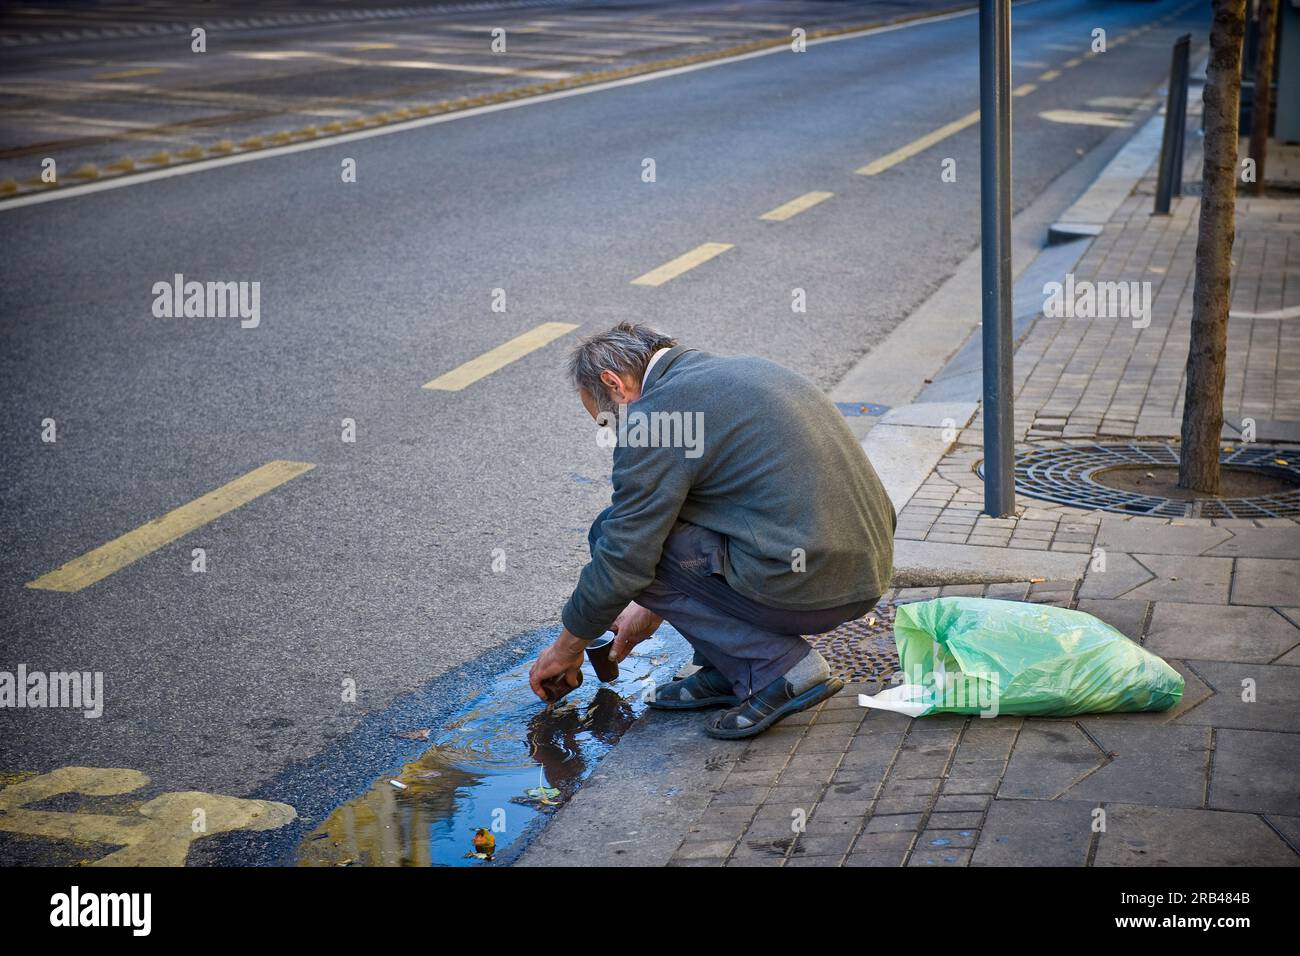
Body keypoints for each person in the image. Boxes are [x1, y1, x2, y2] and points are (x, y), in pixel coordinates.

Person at [528, 323, 895, 738]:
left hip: (808, 586)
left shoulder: (657, 416)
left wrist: (567, 648)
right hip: (866, 572)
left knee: (607, 534)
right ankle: (727, 667)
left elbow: (624, 555)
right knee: (663, 526)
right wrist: (651, 606)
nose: (616, 432)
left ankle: (780, 668)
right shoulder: (743, 371)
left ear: (614, 384)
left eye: (608, 421)